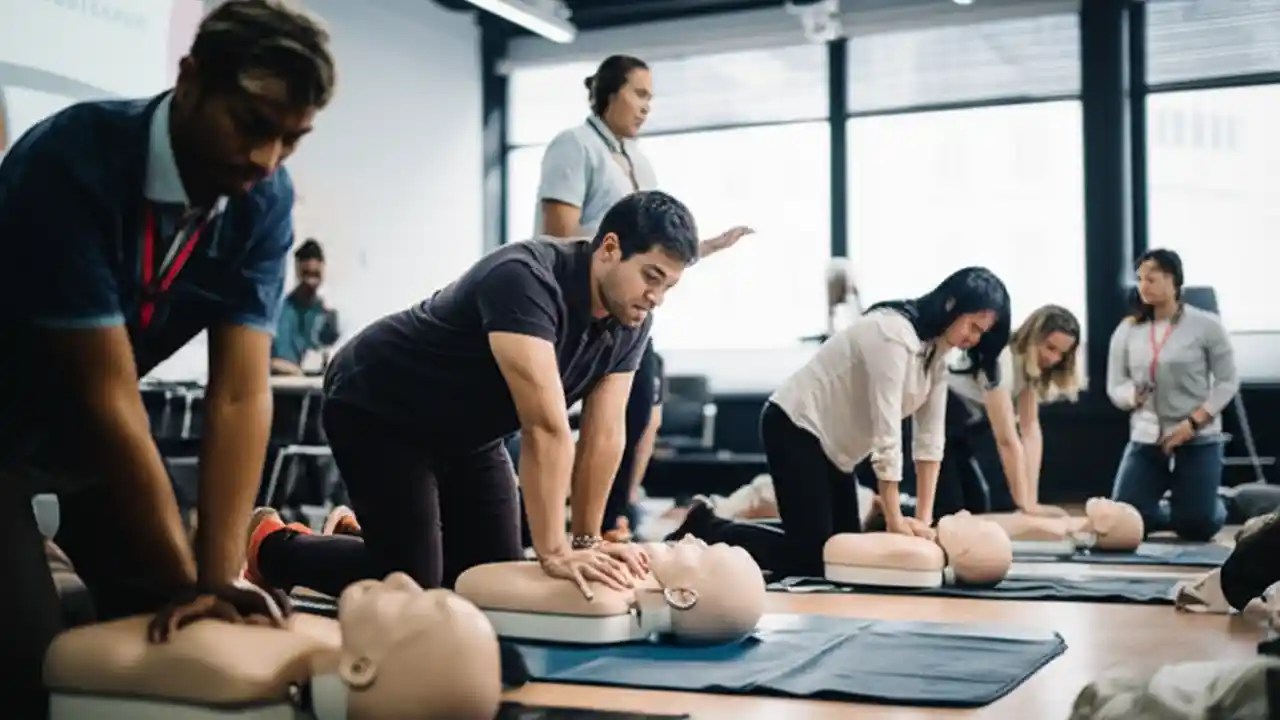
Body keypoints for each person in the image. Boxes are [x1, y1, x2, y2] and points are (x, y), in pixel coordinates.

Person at [0, 0, 336, 713]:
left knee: (179, 622)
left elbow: (241, 395)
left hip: (81, 434)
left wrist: (213, 576)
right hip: (30, 414)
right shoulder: (72, 160)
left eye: (291, 141)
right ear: (189, 80)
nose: (264, 159)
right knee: (28, 658)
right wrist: (191, 578)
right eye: (250, 125)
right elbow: (109, 393)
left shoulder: (262, 199)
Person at [243, 191, 701, 600]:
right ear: (610, 248)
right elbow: (545, 426)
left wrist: (587, 541)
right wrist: (557, 551)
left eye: (668, 286)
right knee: (415, 587)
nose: (656, 297)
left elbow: (604, 434)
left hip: (469, 435)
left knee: (486, 581)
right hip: (381, 407)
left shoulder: (631, 320)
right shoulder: (525, 278)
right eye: (651, 276)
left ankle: (362, 534)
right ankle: (272, 547)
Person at [667, 267, 1011, 578]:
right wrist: (893, 520)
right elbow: (887, 433)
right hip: (796, 426)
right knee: (814, 558)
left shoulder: (937, 356)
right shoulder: (892, 334)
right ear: (951, 303)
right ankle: (707, 526)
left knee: (842, 549)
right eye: (973, 326)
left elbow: (930, 442)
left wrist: (922, 521)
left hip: (838, 449)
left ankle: (719, 525)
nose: (974, 339)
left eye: (982, 333)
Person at [535, 54, 753, 539]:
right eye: (640, 93)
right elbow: (561, 238)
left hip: (623, 309)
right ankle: (555, 525)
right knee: (552, 419)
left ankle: (610, 518)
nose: (647, 107)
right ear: (610, 92)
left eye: (651, 97)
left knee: (640, 415)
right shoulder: (574, 146)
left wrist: (706, 247)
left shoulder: (639, 161)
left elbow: (654, 242)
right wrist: (621, 249)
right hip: (573, 304)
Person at [1107, 248, 1237, 541]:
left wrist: (1192, 424)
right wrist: (1131, 397)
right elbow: (1115, 385)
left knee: (1198, 526)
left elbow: (1227, 382)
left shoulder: (1206, 325)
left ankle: (1218, 503)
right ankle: (1176, 510)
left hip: (1196, 434)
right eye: (1140, 279)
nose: (1144, 286)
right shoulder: (1128, 330)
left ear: (1174, 280)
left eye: (1152, 278)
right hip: (1147, 434)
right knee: (1126, 522)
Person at [943, 304, 1083, 517]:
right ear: (1033, 337)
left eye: (1062, 354)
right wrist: (1024, 504)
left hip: (970, 419)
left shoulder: (1029, 368)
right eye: (1050, 348)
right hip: (944, 411)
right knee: (951, 510)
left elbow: (1030, 429)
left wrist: (1031, 500)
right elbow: (1007, 439)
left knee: (977, 507)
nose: (1054, 359)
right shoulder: (1001, 360)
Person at [271, 238, 340, 376]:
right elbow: (271, 361)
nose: (310, 282)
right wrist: (298, 372)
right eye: (306, 274)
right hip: (284, 389)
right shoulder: (279, 312)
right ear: (297, 271)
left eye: (315, 275)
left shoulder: (328, 315)